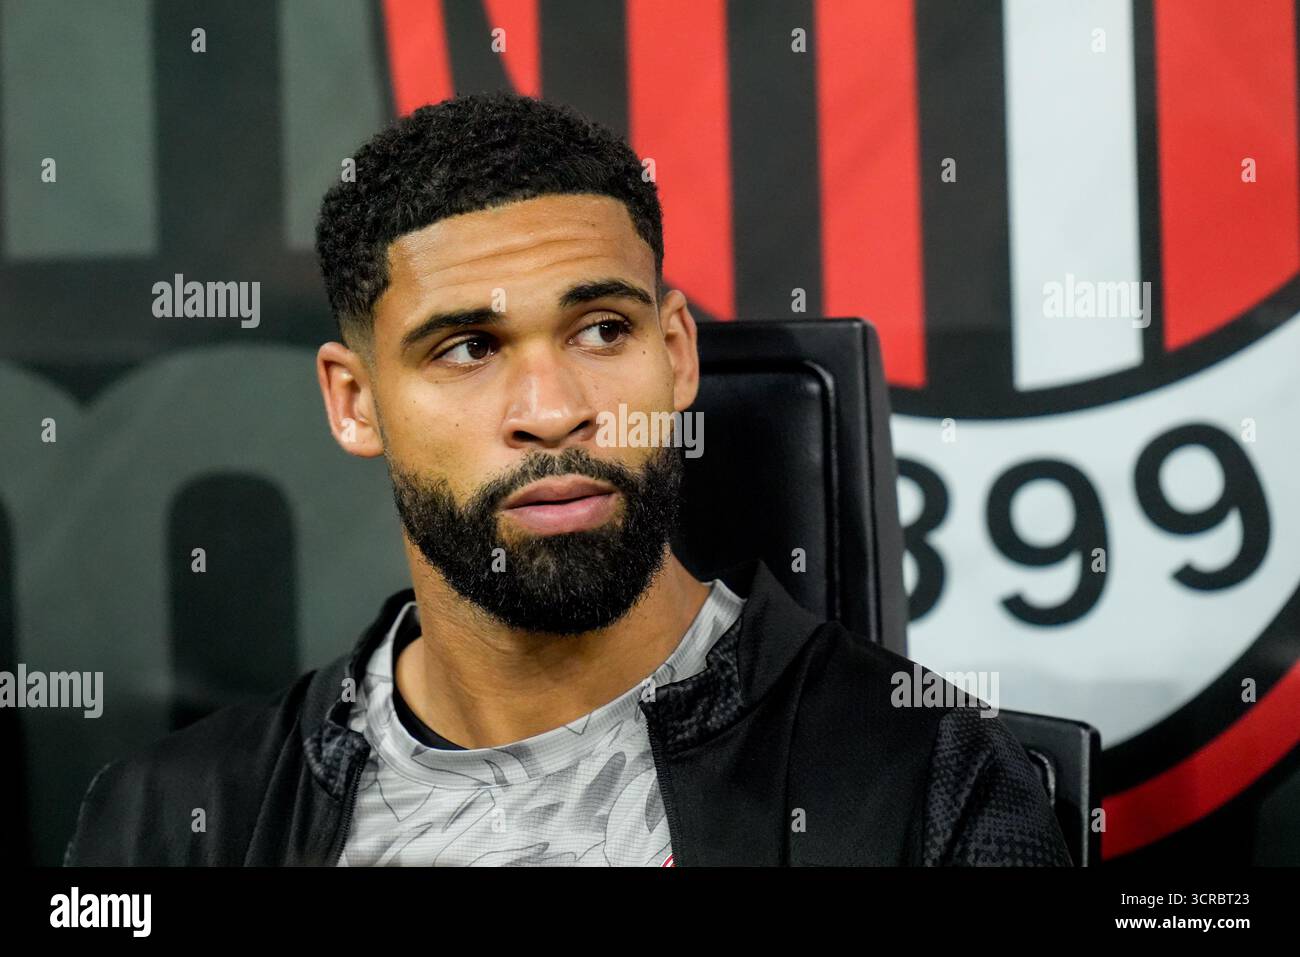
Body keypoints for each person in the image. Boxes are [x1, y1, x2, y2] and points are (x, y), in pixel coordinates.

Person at [64, 91, 1071, 867]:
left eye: (601, 331)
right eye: (466, 347)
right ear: (354, 402)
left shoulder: (931, 783)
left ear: (676, 353)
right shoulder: (170, 819)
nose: (552, 409)